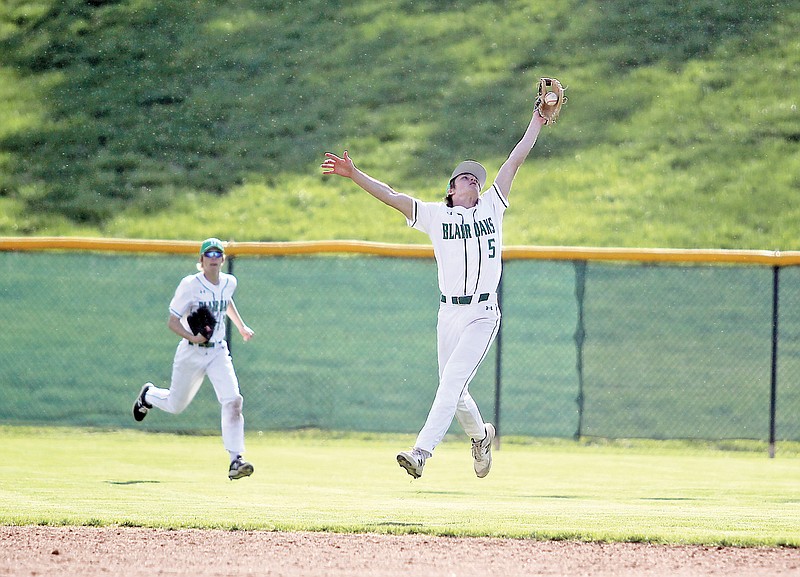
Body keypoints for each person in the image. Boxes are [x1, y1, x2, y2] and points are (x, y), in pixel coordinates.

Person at [321, 107, 547, 479]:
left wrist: (538, 119)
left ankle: (421, 452)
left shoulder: (493, 205)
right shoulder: (434, 215)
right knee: (453, 391)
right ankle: (481, 437)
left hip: (482, 313)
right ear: (450, 189)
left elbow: (515, 159)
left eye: (477, 178)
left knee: (453, 381)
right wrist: (354, 174)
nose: (474, 180)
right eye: (465, 177)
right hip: (448, 314)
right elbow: (391, 195)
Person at [132, 238, 256, 480]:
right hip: (191, 352)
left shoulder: (229, 282)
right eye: (208, 254)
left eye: (217, 253)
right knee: (175, 405)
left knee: (233, 400)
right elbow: (172, 321)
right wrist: (192, 337)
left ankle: (235, 460)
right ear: (201, 260)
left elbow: (225, 301)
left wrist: (241, 326)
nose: (213, 257)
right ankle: (148, 395)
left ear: (223, 259)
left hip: (218, 351)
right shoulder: (190, 285)